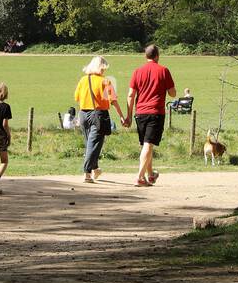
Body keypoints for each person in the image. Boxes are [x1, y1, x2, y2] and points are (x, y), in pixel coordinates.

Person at [126, 44, 176, 187]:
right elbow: (172, 93)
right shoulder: (163, 70)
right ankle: (140, 177)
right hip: (155, 112)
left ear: (145, 56)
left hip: (140, 112)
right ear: (157, 56)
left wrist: (129, 115)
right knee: (148, 144)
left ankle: (150, 175)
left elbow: (130, 95)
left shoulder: (137, 71)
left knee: (146, 145)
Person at [74, 56, 126, 184]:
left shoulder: (83, 80)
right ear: (101, 68)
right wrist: (121, 116)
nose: (104, 71)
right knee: (94, 145)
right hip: (99, 115)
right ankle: (87, 173)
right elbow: (113, 101)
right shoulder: (105, 81)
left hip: (83, 113)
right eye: (103, 68)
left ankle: (95, 168)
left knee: (90, 144)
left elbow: (77, 98)